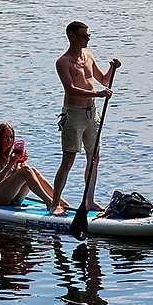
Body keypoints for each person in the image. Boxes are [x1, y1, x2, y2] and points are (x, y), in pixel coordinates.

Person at [51, 21, 121, 215]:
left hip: (92, 114)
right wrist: (98, 94)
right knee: (68, 160)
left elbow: (104, 80)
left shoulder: (88, 56)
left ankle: (89, 201)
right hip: (73, 114)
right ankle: (54, 203)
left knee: (94, 158)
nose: (88, 38)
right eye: (85, 36)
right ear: (72, 37)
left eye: (88, 35)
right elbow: (70, 89)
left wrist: (112, 68)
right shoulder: (63, 61)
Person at [0, 122, 59, 208]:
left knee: (32, 171)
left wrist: (19, 163)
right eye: (5, 137)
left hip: (13, 196)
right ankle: (49, 202)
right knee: (26, 170)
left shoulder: (13, 154)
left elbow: (19, 176)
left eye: (11, 137)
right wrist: (11, 163)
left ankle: (59, 201)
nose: (9, 140)